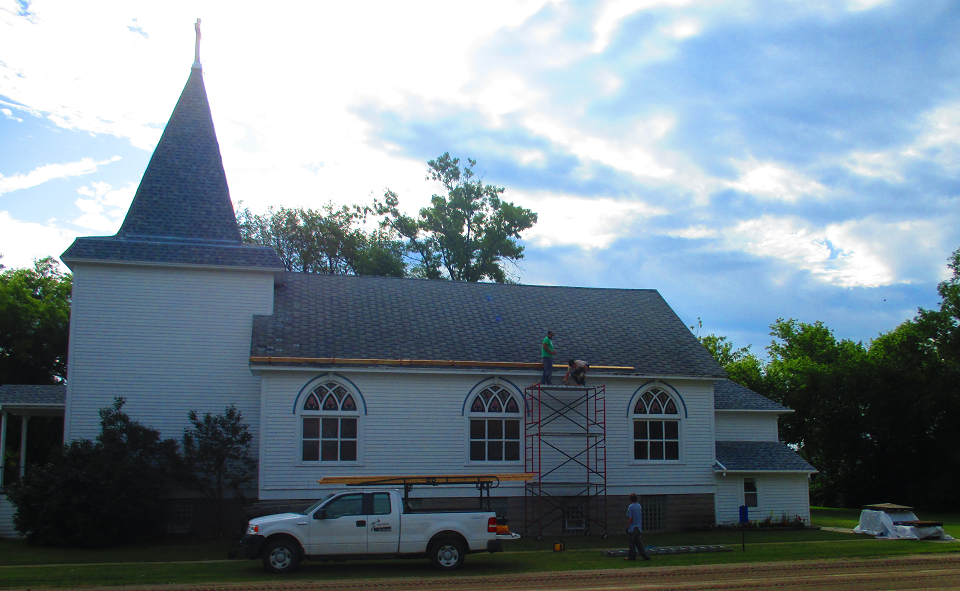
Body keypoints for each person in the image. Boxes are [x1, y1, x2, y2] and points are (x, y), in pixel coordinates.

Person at [625, 493, 651, 561]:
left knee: (631, 542)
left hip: (632, 528)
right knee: (638, 542)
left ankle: (632, 556)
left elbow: (630, 518)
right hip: (638, 527)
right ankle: (645, 555)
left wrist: (627, 526)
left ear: (631, 499)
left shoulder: (631, 507)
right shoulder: (639, 506)